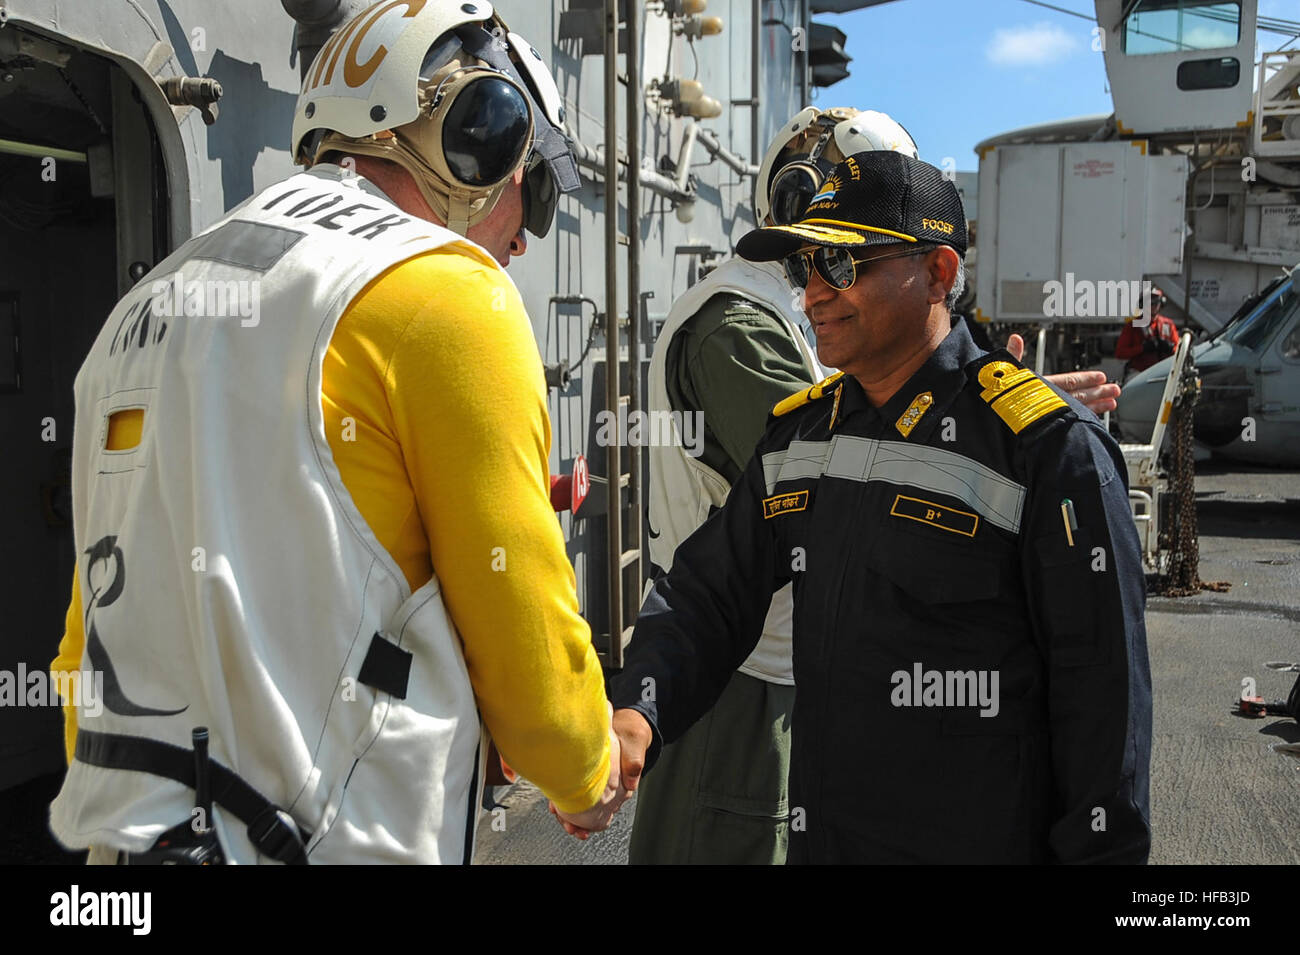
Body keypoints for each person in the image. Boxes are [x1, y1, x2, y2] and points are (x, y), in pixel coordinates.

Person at [48, 0, 625, 864]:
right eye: (531, 186)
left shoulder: (137, 311)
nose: (524, 239)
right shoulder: (449, 296)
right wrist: (588, 773)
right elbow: (532, 661)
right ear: (480, 139)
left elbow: (84, 648)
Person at [608, 150, 1152, 863]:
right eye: (807, 268)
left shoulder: (1050, 454)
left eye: (844, 265)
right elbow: (708, 591)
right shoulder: (803, 434)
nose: (813, 295)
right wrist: (637, 710)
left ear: (938, 273)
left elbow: (1105, 725)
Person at [1116, 288, 1180, 378]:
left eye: (1156, 302)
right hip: (1139, 373)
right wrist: (1142, 348)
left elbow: (1179, 351)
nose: (1153, 306)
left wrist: (1170, 348)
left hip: (1165, 372)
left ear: (1161, 303)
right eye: (1149, 303)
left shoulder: (1168, 324)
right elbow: (1120, 353)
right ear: (1142, 304)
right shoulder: (1132, 326)